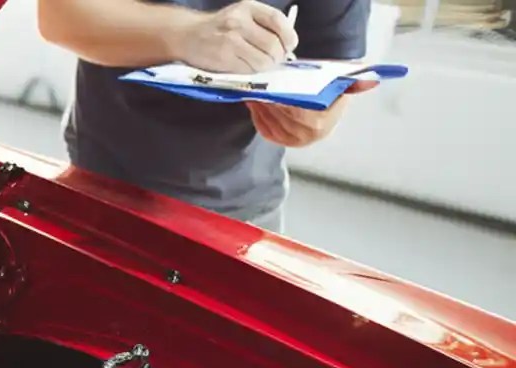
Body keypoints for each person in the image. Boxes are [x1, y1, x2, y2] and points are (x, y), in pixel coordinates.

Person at [37, 0, 373, 233]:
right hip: (103, 189)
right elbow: (58, 14)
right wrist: (187, 34)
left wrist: (313, 120)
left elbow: (335, 65)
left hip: (248, 213)